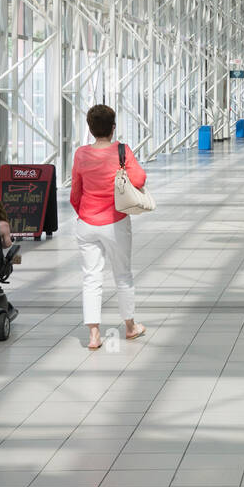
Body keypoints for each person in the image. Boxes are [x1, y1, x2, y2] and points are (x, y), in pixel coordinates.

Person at [70, 104, 147, 351]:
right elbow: (139, 180)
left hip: (87, 223)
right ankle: (130, 327)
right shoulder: (121, 151)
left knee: (91, 277)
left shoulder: (81, 154)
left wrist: (82, 214)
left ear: (90, 129)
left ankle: (94, 335)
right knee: (123, 275)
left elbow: (75, 192)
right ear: (113, 128)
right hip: (115, 221)